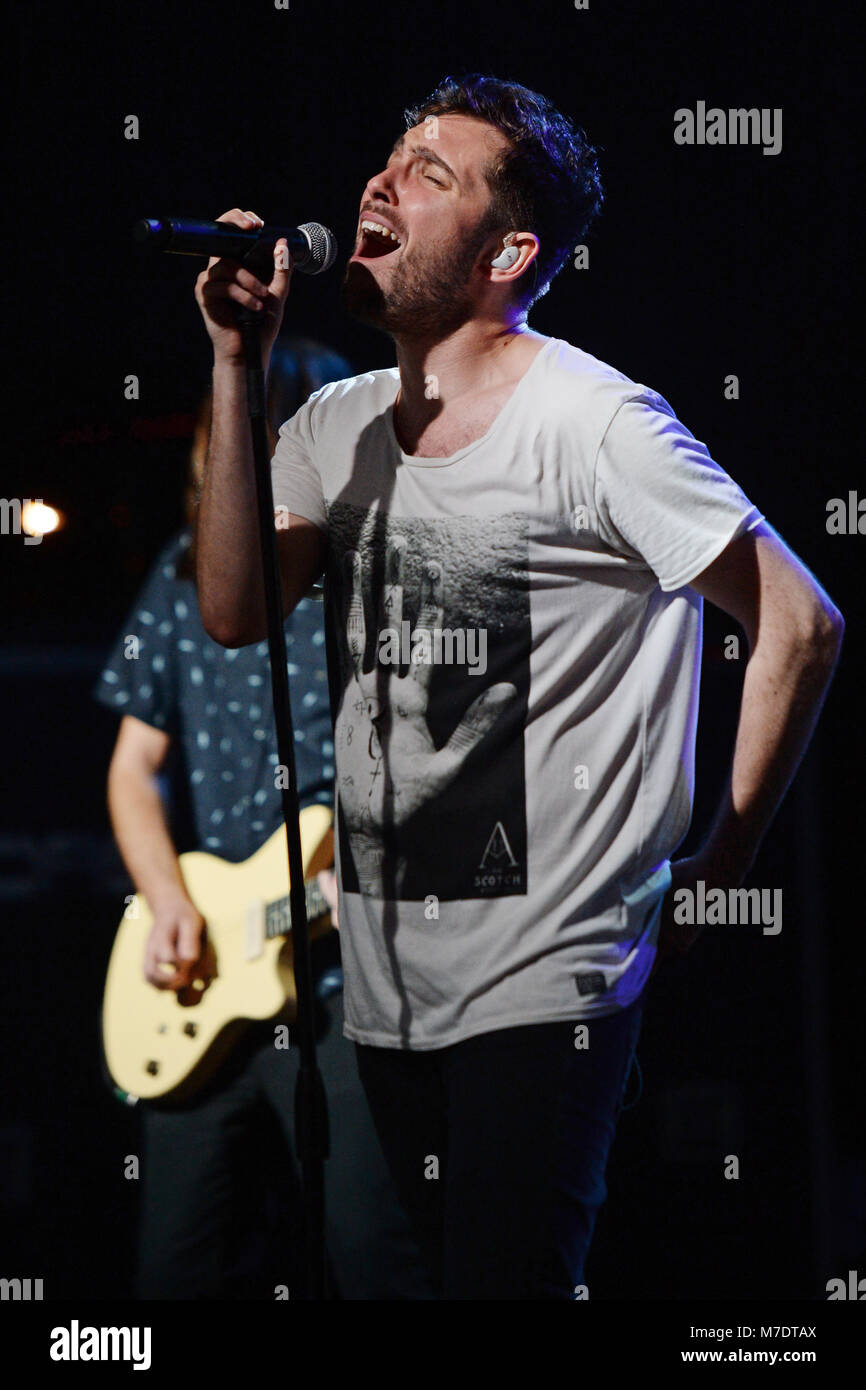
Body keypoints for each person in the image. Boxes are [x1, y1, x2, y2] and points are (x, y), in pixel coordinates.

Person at [191, 75, 844, 1300]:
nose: (381, 182)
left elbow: (798, 622)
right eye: (388, 160)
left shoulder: (595, 424)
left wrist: (724, 852)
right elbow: (232, 611)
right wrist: (238, 364)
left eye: (431, 174)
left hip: (547, 982)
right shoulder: (331, 425)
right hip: (379, 989)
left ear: (509, 253)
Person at [94, 338, 432, 1300]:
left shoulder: (377, 575)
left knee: (375, 1257)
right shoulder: (176, 574)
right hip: (203, 983)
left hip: (342, 982)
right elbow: (132, 771)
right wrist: (166, 900)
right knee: (172, 1275)